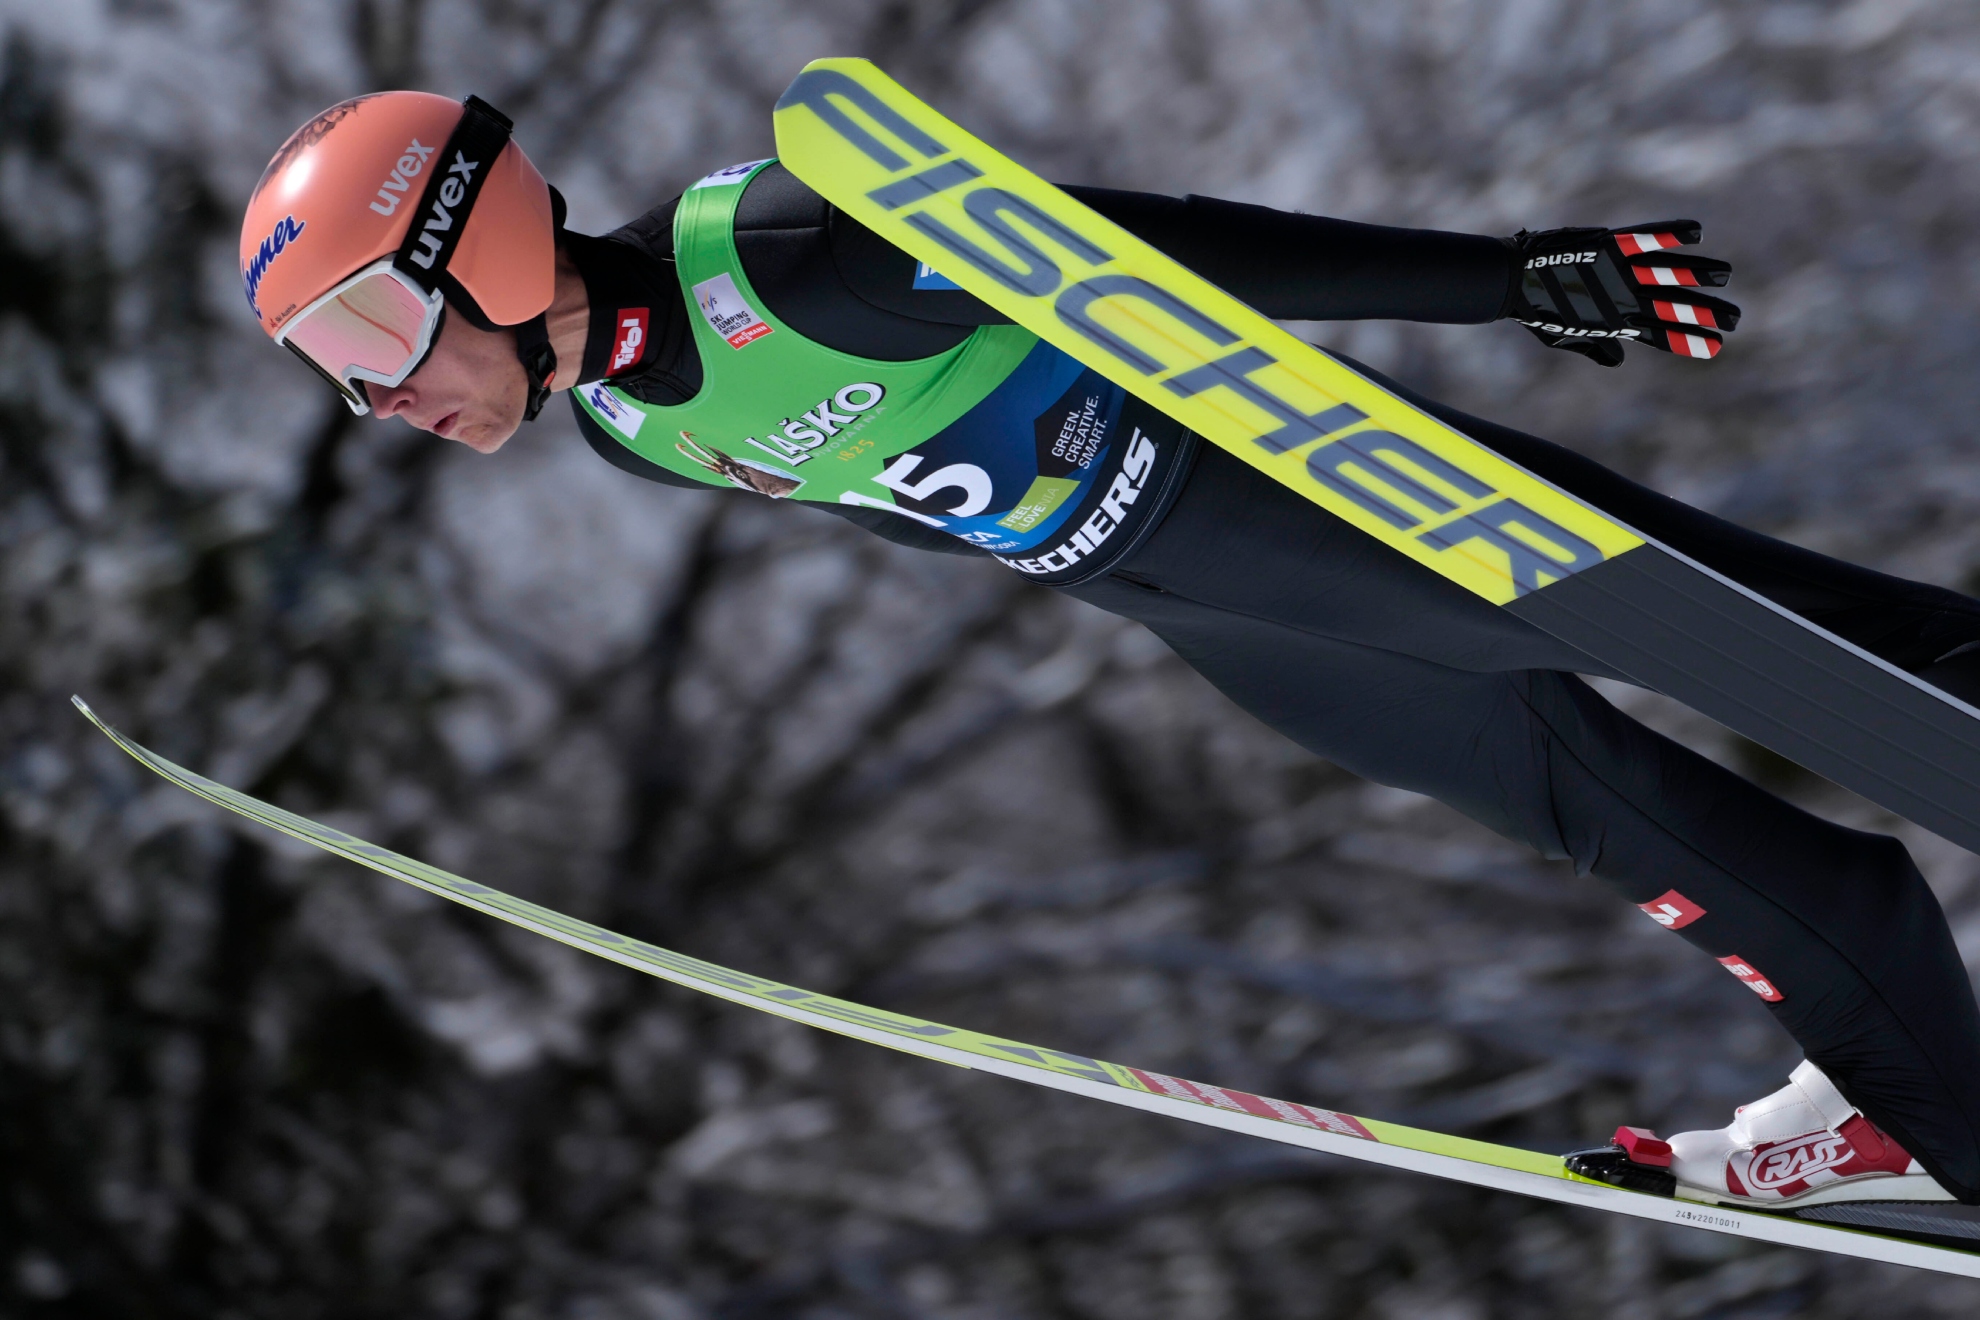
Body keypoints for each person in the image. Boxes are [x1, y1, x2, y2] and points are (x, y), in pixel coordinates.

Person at [240, 90, 1980, 1215]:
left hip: (1313, 499)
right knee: (1631, 826)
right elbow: (911, 501)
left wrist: (1506, 274)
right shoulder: (633, 425)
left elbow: (1155, 250)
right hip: (1228, 620)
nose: (385, 397)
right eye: (341, 374)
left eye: (378, 328)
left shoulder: (781, 254)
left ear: (482, 239)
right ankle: (1914, 1093)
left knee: (1797, 642)